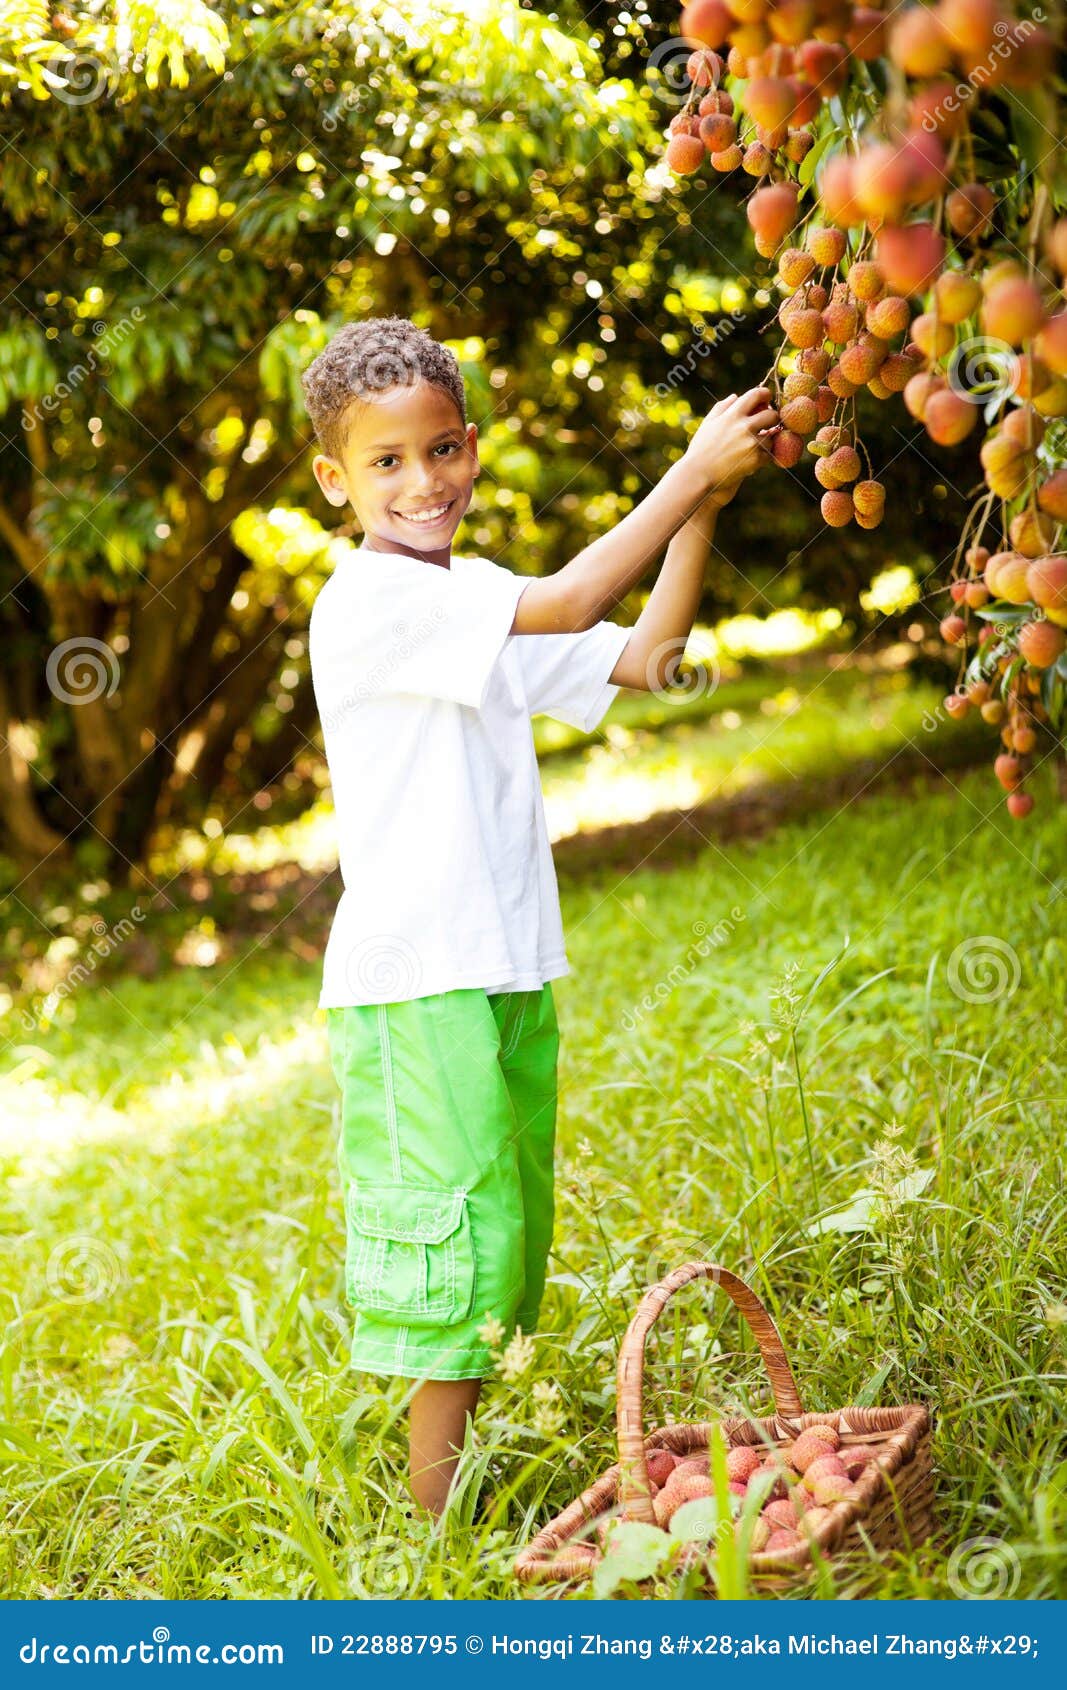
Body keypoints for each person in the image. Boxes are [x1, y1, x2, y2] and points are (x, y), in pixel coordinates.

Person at [301, 314, 776, 1518]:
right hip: (414, 984)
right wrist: (686, 471)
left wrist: (705, 506)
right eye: (387, 461)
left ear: (471, 446)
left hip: (501, 965)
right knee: (447, 1251)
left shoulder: (472, 599)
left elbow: (651, 657)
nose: (423, 481)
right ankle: (430, 1541)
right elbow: (570, 601)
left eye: (442, 449)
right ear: (333, 479)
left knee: (505, 1242)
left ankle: (460, 1493)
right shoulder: (368, 603)